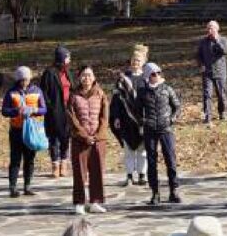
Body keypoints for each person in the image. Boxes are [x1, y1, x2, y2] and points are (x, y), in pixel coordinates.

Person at [138, 62, 183, 205]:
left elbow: (177, 106)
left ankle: (173, 190)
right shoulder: (142, 92)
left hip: (166, 129)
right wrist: (143, 121)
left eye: (158, 73)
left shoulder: (167, 89)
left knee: (171, 160)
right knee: (151, 162)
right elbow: (136, 110)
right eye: (152, 73)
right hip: (150, 130)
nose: (156, 76)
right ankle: (155, 193)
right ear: (147, 75)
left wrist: (171, 119)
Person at [66, 64, 109, 212]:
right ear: (79, 78)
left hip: (98, 140)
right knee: (79, 172)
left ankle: (95, 202)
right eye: (84, 75)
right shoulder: (74, 95)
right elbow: (72, 118)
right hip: (80, 140)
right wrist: (84, 136)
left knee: (97, 171)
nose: (87, 78)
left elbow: (104, 117)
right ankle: (79, 202)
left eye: (89, 75)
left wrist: (97, 136)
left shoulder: (101, 94)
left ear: (94, 77)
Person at [2, 66, 47, 197]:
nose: (24, 82)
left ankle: (27, 186)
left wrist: (34, 110)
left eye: (26, 79)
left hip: (31, 130)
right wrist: (16, 111)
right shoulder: (11, 92)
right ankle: (13, 187)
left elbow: (44, 109)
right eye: (21, 79)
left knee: (30, 159)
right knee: (15, 159)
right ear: (17, 79)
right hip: (16, 130)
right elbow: (4, 111)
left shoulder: (37, 90)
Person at [111, 49, 150, 193]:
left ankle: (142, 175)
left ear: (143, 62)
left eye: (138, 60)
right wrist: (115, 117)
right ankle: (129, 176)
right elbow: (116, 101)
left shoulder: (146, 79)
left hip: (142, 120)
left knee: (142, 150)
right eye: (133, 60)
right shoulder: (122, 79)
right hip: (126, 119)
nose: (135, 63)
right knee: (128, 150)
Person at [38, 46, 75, 181]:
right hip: (54, 111)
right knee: (54, 139)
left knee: (66, 137)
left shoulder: (68, 72)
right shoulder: (49, 73)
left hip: (67, 110)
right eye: (68, 57)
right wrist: (50, 107)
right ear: (62, 58)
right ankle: (55, 165)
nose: (69, 59)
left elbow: (73, 88)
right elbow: (43, 93)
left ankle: (64, 163)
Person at [194, 20, 227, 126]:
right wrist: (201, 65)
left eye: (212, 28)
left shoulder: (223, 39)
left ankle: (222, 112)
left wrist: (217, 41)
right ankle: (207, 116)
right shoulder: (203, 41)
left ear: (217, 29)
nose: (210, 30)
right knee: (207, 94)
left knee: (221, 94)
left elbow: (225, 51)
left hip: (220, 72)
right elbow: (198, 55)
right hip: (207, 72)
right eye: (208, 28)